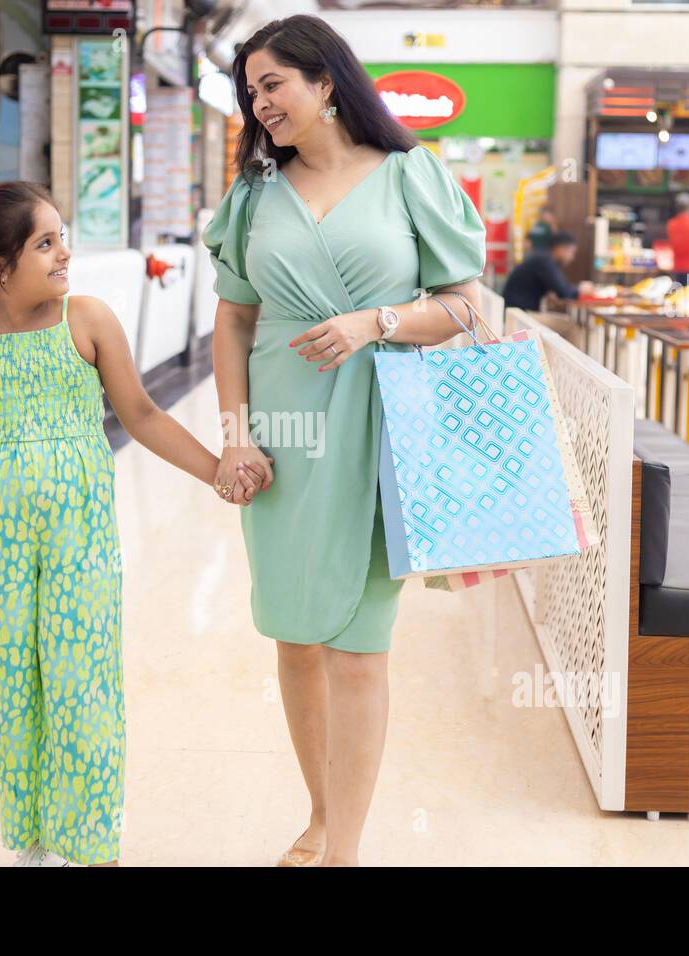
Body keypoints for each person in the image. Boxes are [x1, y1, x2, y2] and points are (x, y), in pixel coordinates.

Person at [202, 13, 486, 867]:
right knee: (295, 633)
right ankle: (321, 813)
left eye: (272, 85)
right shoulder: (254, 195)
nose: (260, 106)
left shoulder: (410, 177)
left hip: (381, 431)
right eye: (250, 93)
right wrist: (234, 436)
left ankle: (346, 850)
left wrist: (378, 321)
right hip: (283, 438)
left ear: (326, 82)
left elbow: (470, 304)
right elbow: (233, 318)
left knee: (359, 647)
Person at [0, 182, 262, 868]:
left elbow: (146, 416)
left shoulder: (88, 319)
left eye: (61, 235)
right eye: (46, 243)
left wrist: (218, 468)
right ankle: (34, 840)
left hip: (80, 535)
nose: (64, 252)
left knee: (83, 681)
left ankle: (88, 843)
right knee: (16, 684)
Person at [501, 231, 593, 312]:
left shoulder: (543, 257)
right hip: (521, 313)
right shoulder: (545, 261)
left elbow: (558, 288)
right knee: (570, 327)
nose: (572, 258)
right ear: (560, 248)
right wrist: (580, 290)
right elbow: (563, 292)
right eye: (571, 252)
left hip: (516, 310)